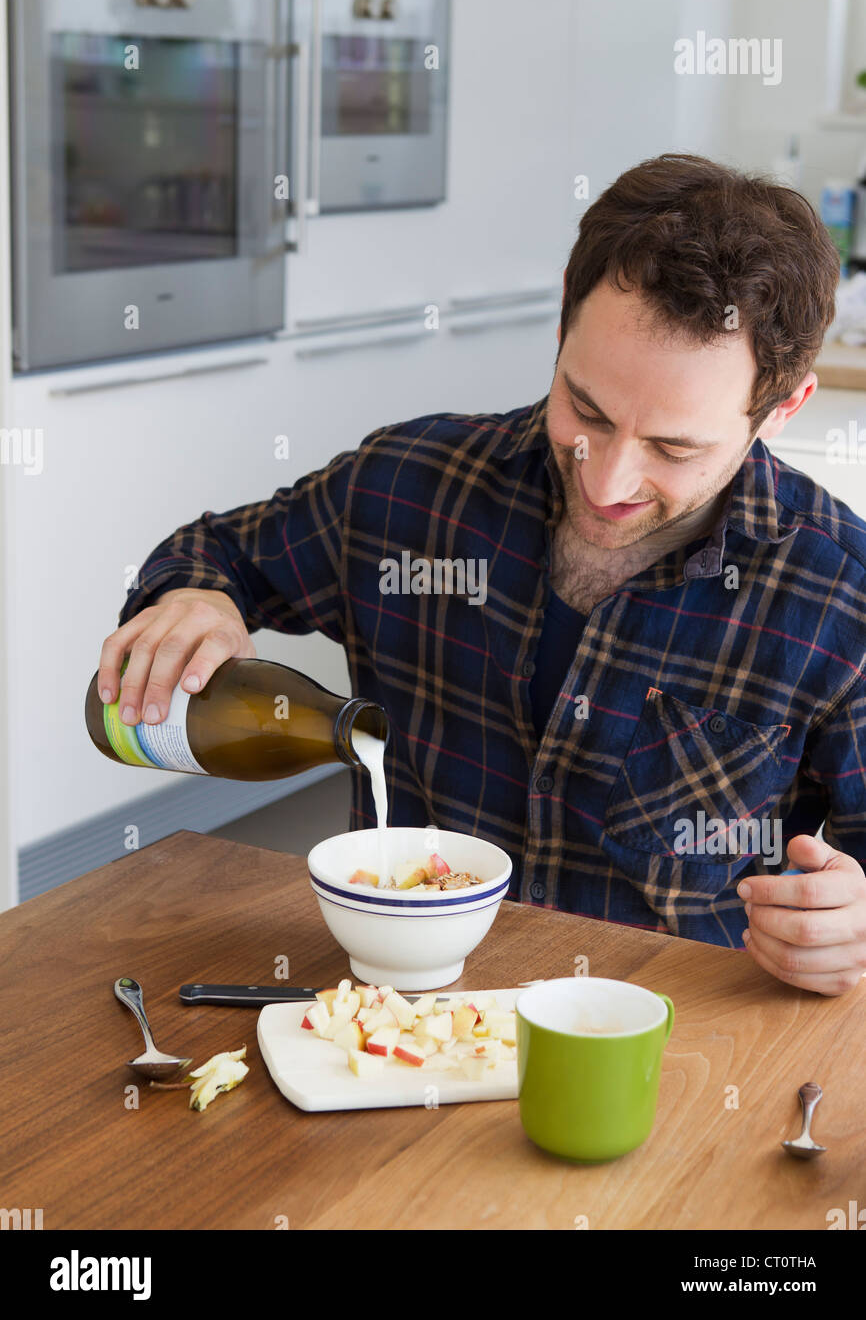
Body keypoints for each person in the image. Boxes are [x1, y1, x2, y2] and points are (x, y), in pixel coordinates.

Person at [96, 153, 866, 996]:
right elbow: (216, 552)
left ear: (782, 407)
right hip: (396, 1036)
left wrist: (846, 927)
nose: (605, 482)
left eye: (673, 448)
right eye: (587, 410)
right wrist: (192, 596)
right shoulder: (409, 488)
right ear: (562, 322)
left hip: (659, 1063)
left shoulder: (838, 595)